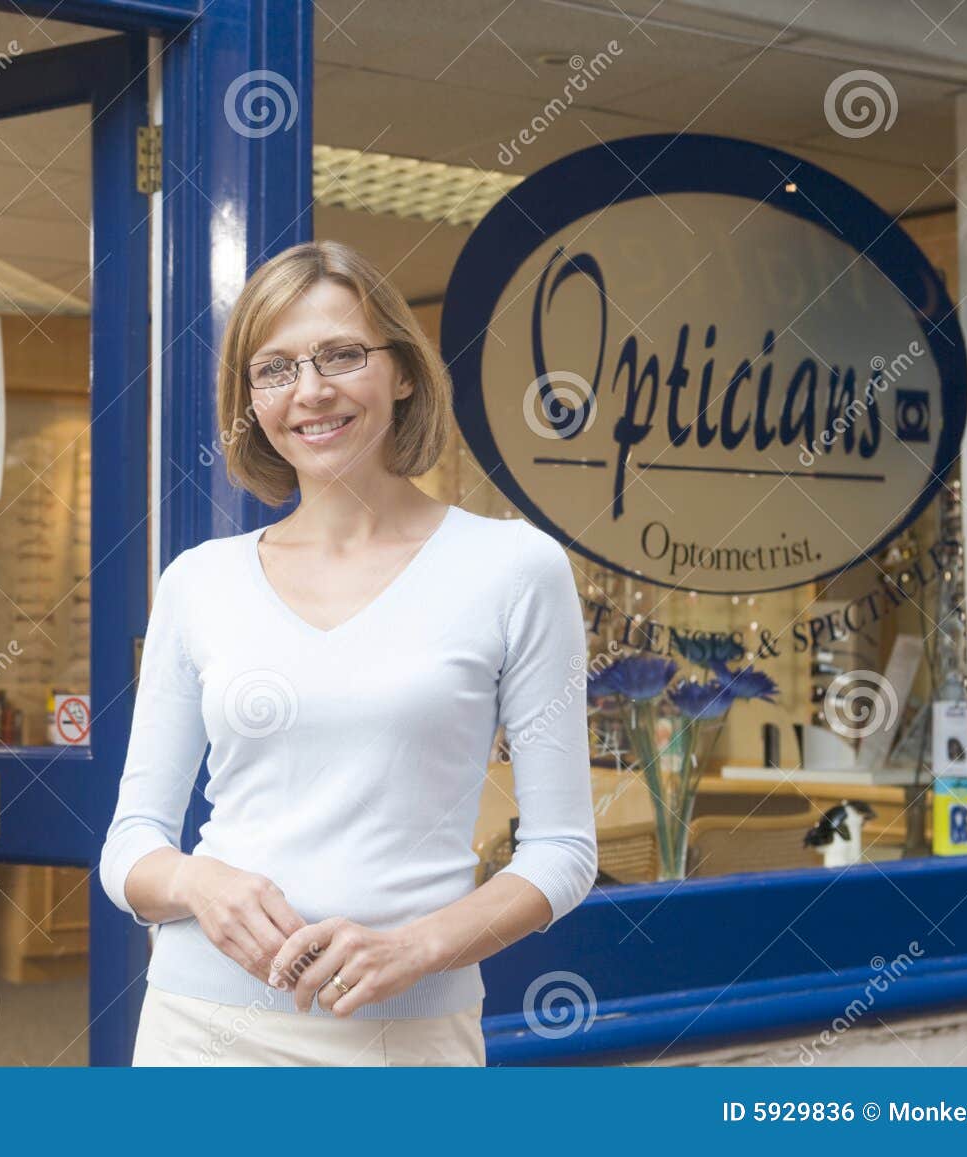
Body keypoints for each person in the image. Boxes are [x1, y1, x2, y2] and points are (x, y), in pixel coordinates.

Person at [98, 239, 597, 1066]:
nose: (311, 390)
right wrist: (197, 884)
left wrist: (417, 948)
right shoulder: (200, 581)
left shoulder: (513, 568)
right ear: (250, 398)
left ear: (402, 371)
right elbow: (131, 846)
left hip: (407, 1038)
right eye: (276, 368)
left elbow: (563, 852)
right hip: (200, 1030)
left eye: (341, 354)